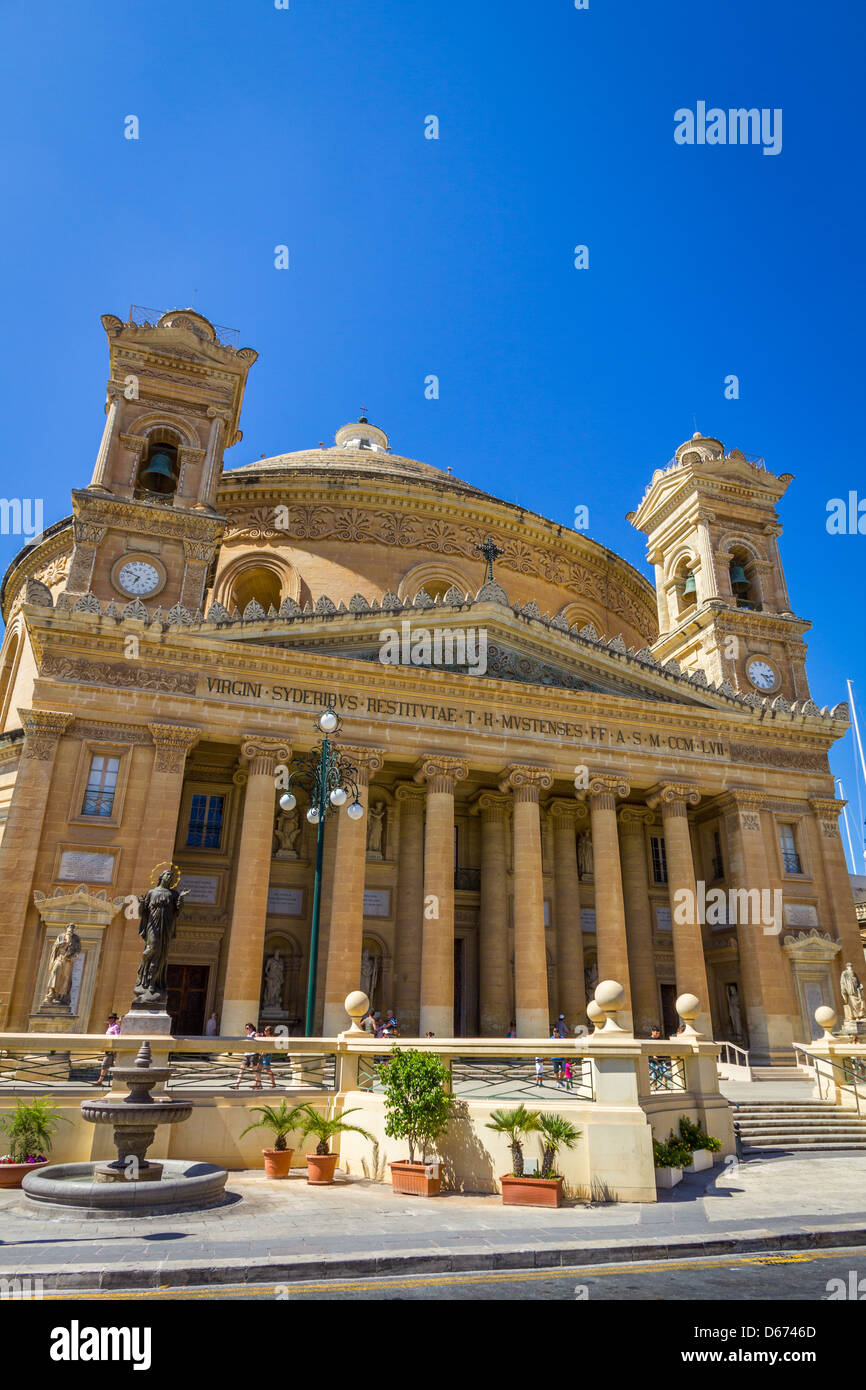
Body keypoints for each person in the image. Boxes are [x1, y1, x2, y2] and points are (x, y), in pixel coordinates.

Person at [230, 1023, 261, 1088]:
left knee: (255, 1070)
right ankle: (237, 1085)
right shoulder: (248, 1035)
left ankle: (259, 1084)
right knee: (241, 1069)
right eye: (246, 1028)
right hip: (246, 1054)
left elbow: (258, 1036)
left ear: (251, 1028)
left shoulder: (253, 1033)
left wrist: (258, 1035)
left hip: (253, 1054)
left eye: (248, 1028)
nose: (247, 1029)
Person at [94, 1013, 120, 1086]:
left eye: (110, 1018)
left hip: (112, 1049)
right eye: (108, 1018)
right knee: (112, 1065)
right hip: (108, 1048)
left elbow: (117, 1038)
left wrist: (114, 1049)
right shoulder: (110, 1027)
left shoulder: (115, 1027)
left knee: (105, 1064)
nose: (108, 1019)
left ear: (113, 1019)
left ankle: (100, 1081)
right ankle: (118, 1081)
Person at [255, 1026, 277, 1090]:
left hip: (266, 1055)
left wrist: (263, 1053)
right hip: (263, 1054)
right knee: (259, 1069)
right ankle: (259, 1084)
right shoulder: (265, 1037)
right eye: (264, 1031)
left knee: (268, 1069)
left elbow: (268, 1047)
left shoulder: (270, 1038)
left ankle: (273, 1084)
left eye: (266, 1031)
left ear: (269, 1031)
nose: (265, 1032)